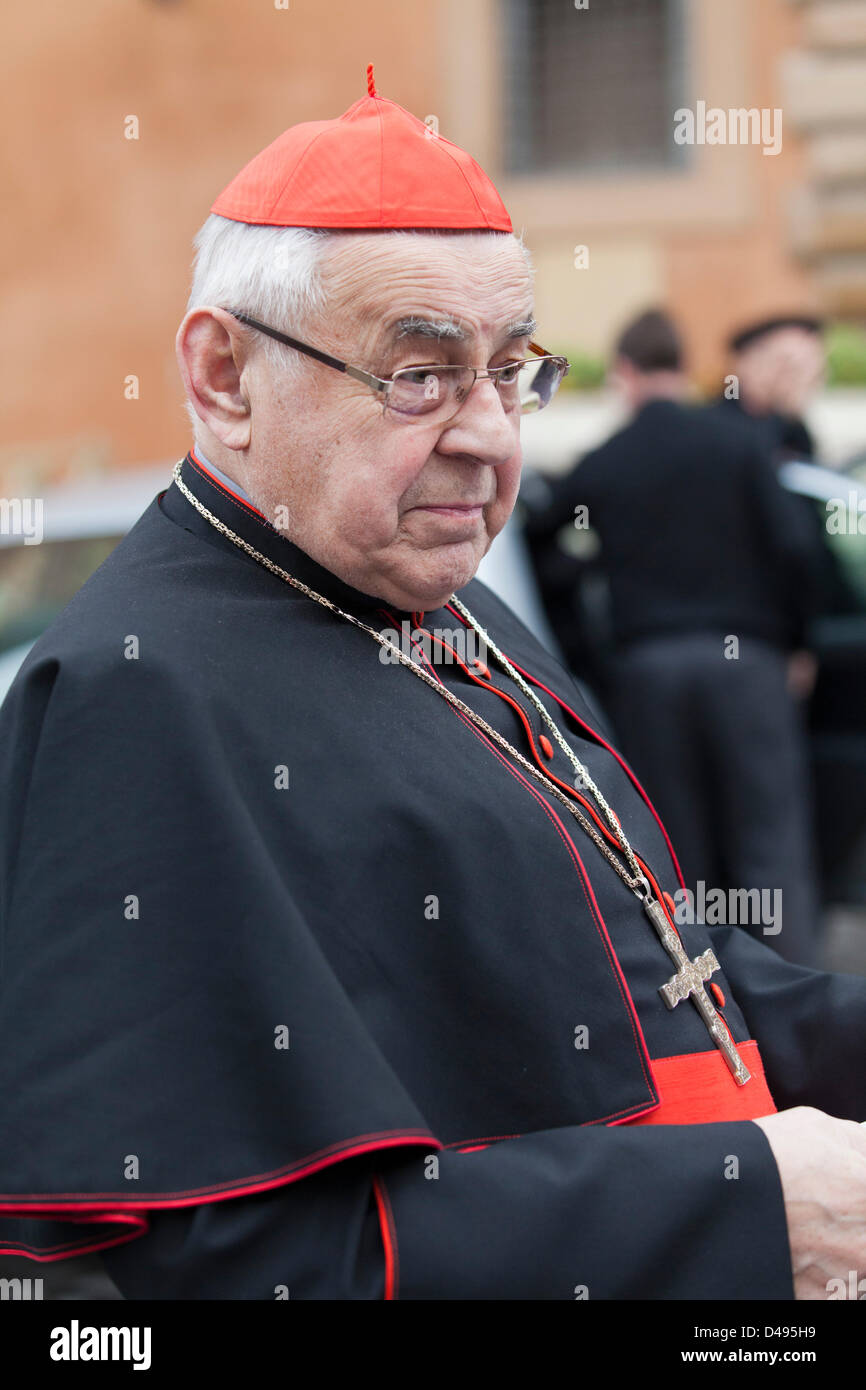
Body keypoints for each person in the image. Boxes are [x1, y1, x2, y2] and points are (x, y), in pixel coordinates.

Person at [0, 75, 864, 1302]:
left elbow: (657, 968)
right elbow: (228, 1264)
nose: (491, 436)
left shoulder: (450, 605)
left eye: (511, 370)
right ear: (223, 376)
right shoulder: (132, 694)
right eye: (420, 373)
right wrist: (743, 1209)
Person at [525, 310, 824, 968]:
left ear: (626, 374)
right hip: (750, 662)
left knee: (677, 848)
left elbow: (543, 544)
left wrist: (585, 651)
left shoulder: (607, 460)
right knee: (770, 842)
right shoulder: (738, 444)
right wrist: (799, 642)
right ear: (684, 370)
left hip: (648, 671)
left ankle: (711, 1007)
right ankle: (798, 1006)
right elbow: (797, 548)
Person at [714, 314, 825, 464]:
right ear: (745, 364)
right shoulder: (719, 429)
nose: (802, 379)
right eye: (788, 365)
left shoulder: (793, 430)